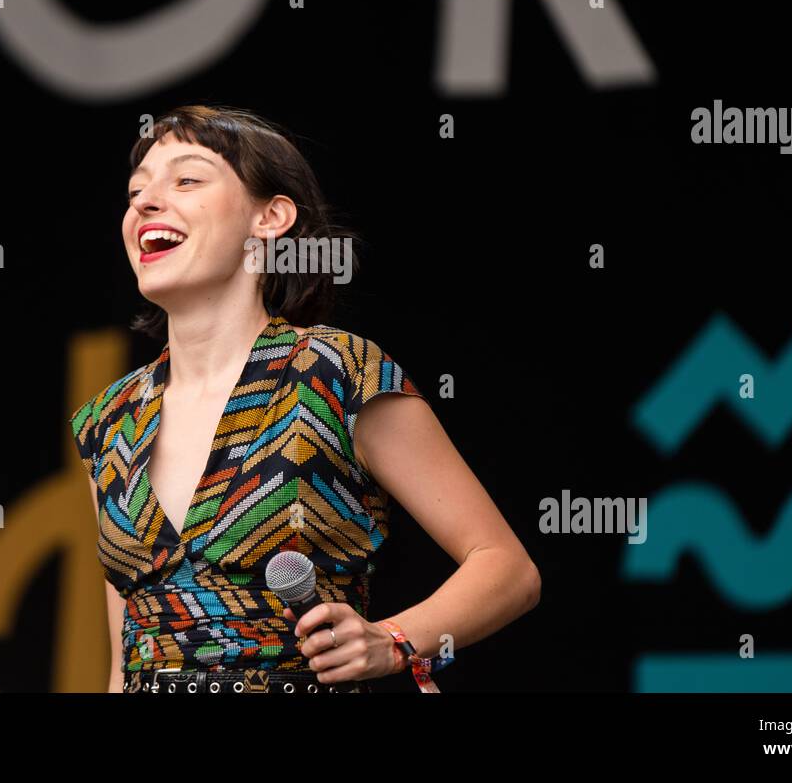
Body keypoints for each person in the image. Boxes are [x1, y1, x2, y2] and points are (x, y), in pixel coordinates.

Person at [70, 105, 540, 693]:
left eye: (186, 179)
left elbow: (506, 567)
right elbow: (124, 661)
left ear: (271, 217)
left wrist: (394, 641)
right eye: (136, 190)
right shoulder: (108, 421)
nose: (145, 201)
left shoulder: (336, 373)